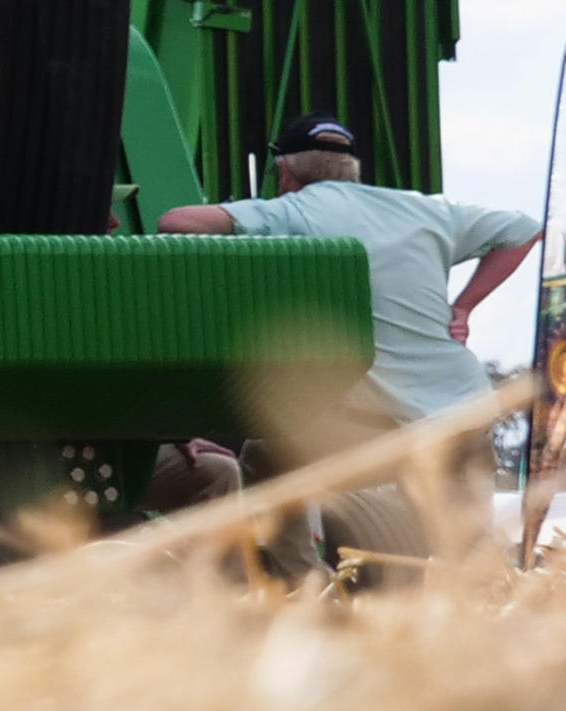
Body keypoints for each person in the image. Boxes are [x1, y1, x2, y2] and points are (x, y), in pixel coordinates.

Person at [158, 117, 541, 562]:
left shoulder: (291, 211)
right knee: (470, 557)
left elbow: (177, 221)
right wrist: (464, 306)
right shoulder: (427, 209)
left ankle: (303, 591)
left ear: (286, 171)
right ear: (350, 167)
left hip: (380, 424)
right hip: (463, 413)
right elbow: (524, 229)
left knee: (269, 463)